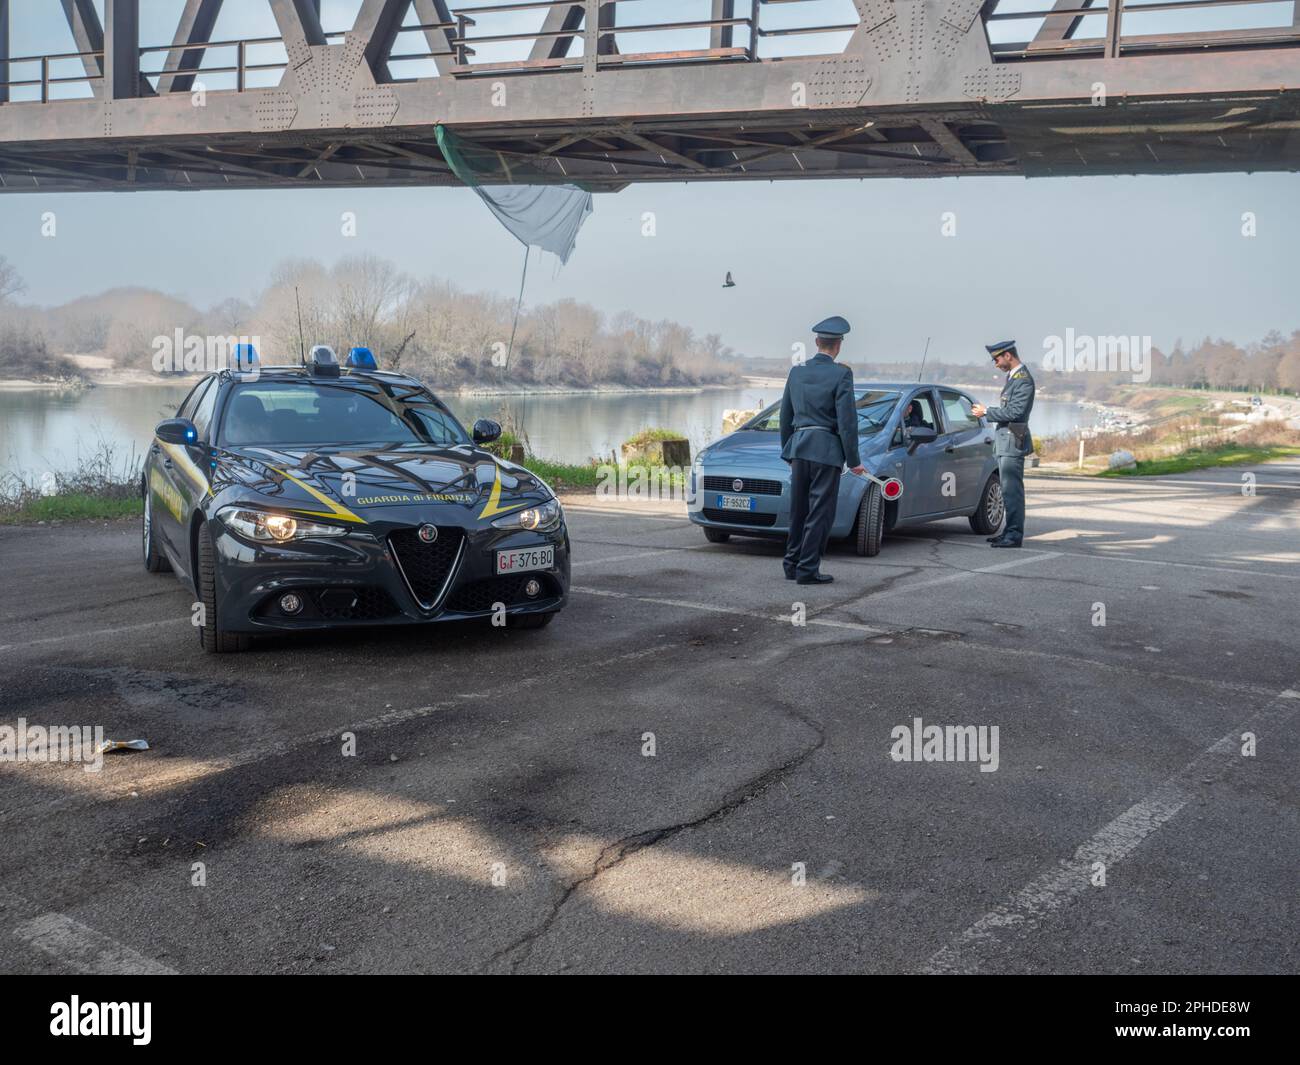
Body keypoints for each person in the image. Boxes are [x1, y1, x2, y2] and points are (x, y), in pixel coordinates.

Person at [779, 316, 865, 584]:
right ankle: (807, 570)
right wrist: (854, 460)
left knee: (798, 510)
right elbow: (847, 422)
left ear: (817, 342)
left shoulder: (797, 371)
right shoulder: (842, 374)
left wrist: (787, 452)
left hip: (800, 448)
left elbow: (785, 416)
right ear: (838, 345)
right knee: (820, 513)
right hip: (826, 450)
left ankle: (791, 564)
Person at [970, 340, 1035, 548]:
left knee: (1012, 490)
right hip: (1007, 439)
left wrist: (986, 412)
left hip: (1013, 439)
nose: (995, 363)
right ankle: (1009, 531)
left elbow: (1016, 412)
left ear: (1008, 355)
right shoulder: (1013, 378)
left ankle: (1014, 535)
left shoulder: (1023, 380)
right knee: (1007, 490)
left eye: (997, 359)